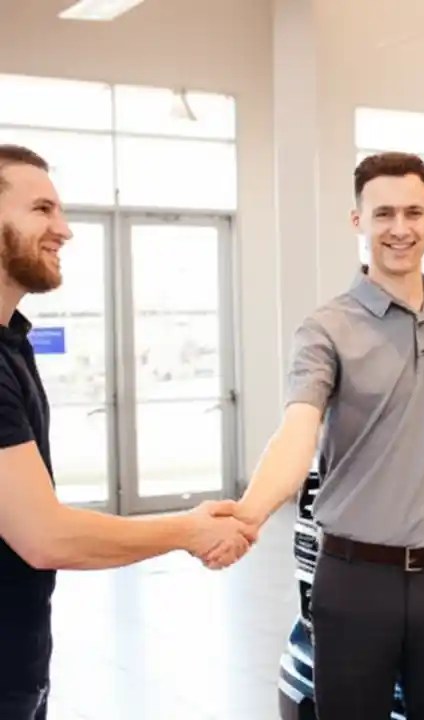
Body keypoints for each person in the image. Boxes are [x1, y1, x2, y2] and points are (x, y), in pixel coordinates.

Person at [233, 151, 424, 719]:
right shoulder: (325, 328)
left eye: (412, 212)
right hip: (356, 583)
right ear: (358, 221)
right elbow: (297, 433)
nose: (399, 229)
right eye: (382, 215)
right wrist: (247, 516)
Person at [0, 144, 259, 720]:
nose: (63, 230)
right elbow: (45, 536)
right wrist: (189, 530)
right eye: (42, 209)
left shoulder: (12, 341)